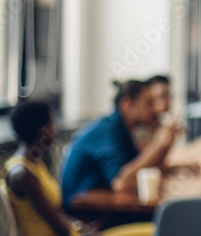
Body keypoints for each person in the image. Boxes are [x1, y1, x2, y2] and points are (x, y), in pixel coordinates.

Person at [4, 102, 154, 236]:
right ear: (42, 130)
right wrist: (80, 231)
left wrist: (82, 227)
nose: (55, 131)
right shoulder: (23, 175)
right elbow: (61, 230)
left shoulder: (30, 164)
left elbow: (57, 215)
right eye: (52, 125)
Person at [60, 79, 183, 210]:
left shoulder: (124, 129)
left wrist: (166, 144)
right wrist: (158, 145)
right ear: (128, 105)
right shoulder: (107, 132)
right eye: (149, 104)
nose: (155, 109)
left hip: (102, 200)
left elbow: (146, 167)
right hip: (82, 208)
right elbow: (121, 183)